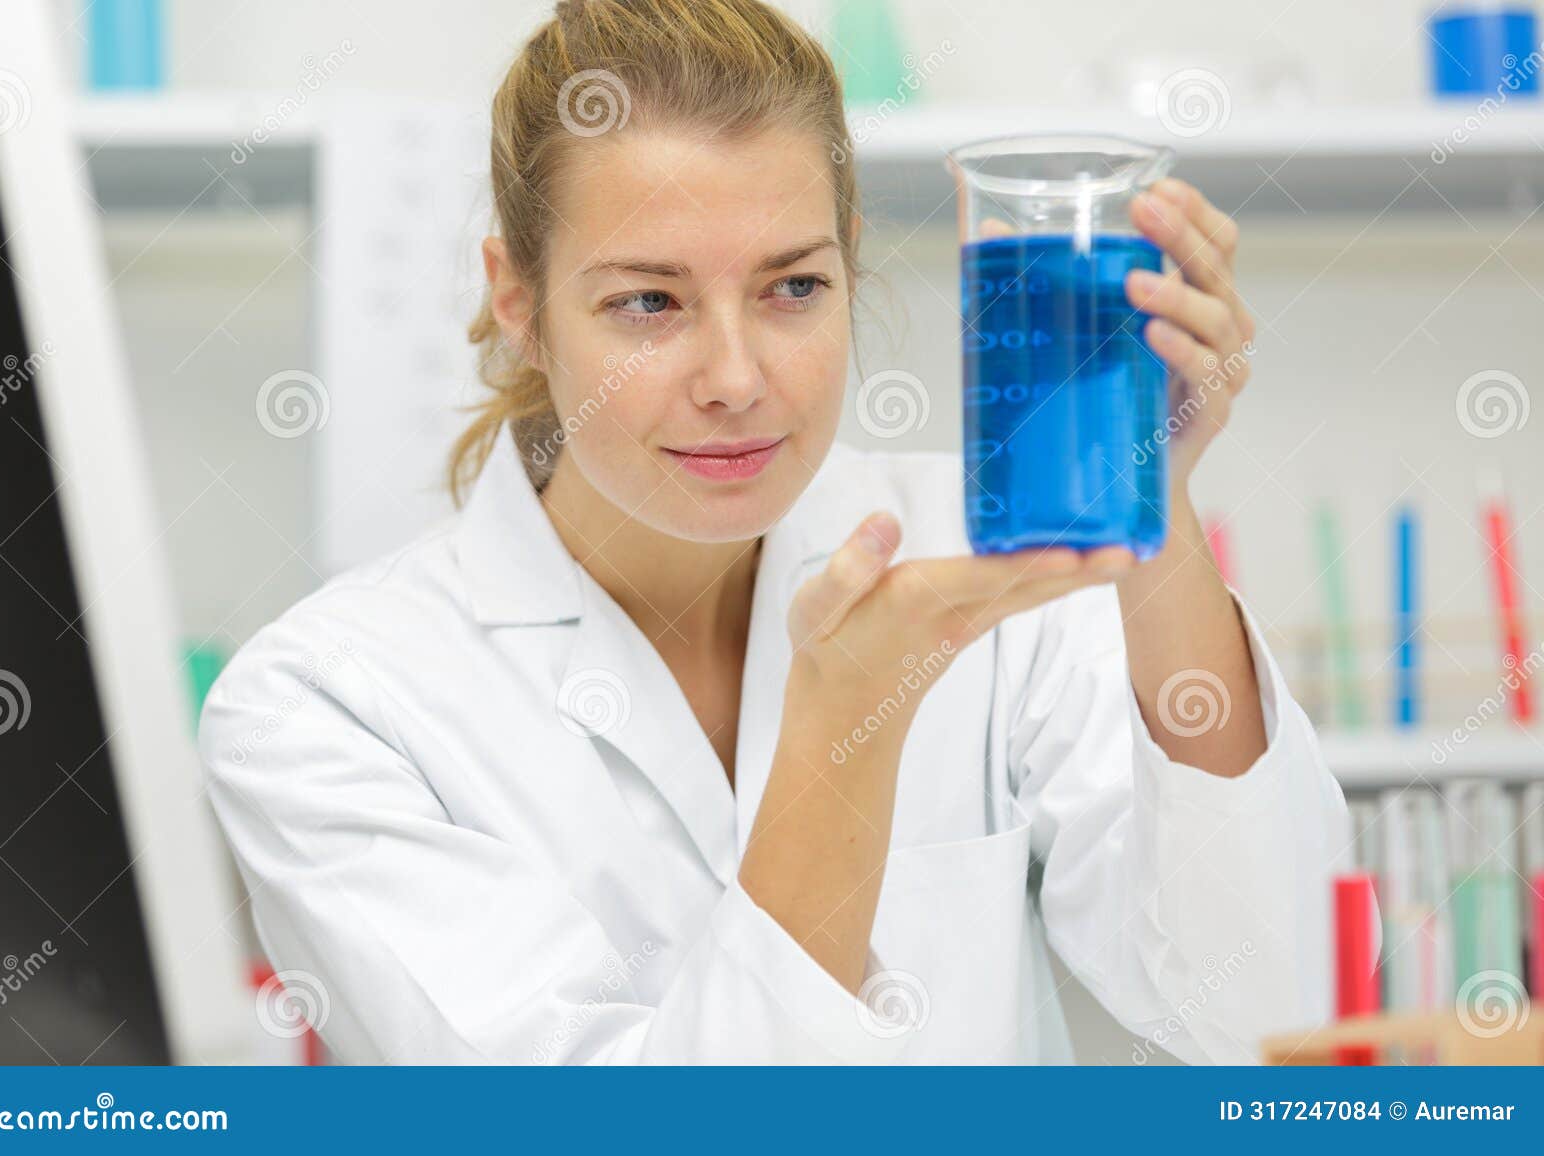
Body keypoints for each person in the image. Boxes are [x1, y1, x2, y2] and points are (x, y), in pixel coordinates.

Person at [199, 0, 1353, 1064]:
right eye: (647, 302)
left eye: (791, 287)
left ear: (848, 252)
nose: (737, 377)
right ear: (518, 301)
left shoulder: (982, 551)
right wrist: (844, 733)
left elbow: (1265, 1012)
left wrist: (1157, 497)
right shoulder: (326, 705)